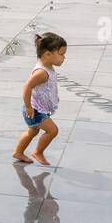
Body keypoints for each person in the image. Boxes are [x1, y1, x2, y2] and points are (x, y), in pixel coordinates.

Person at [13, 32, 66, 165]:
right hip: (35, 111)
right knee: (52, 130)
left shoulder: (47, 66)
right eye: (61, 54)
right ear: (48, 54)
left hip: (37, 108)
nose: (64, 57)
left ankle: (18, 152)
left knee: (32, 131)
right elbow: (27, 87)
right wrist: (29, 107)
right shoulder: (42, 73)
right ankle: (38, 152)